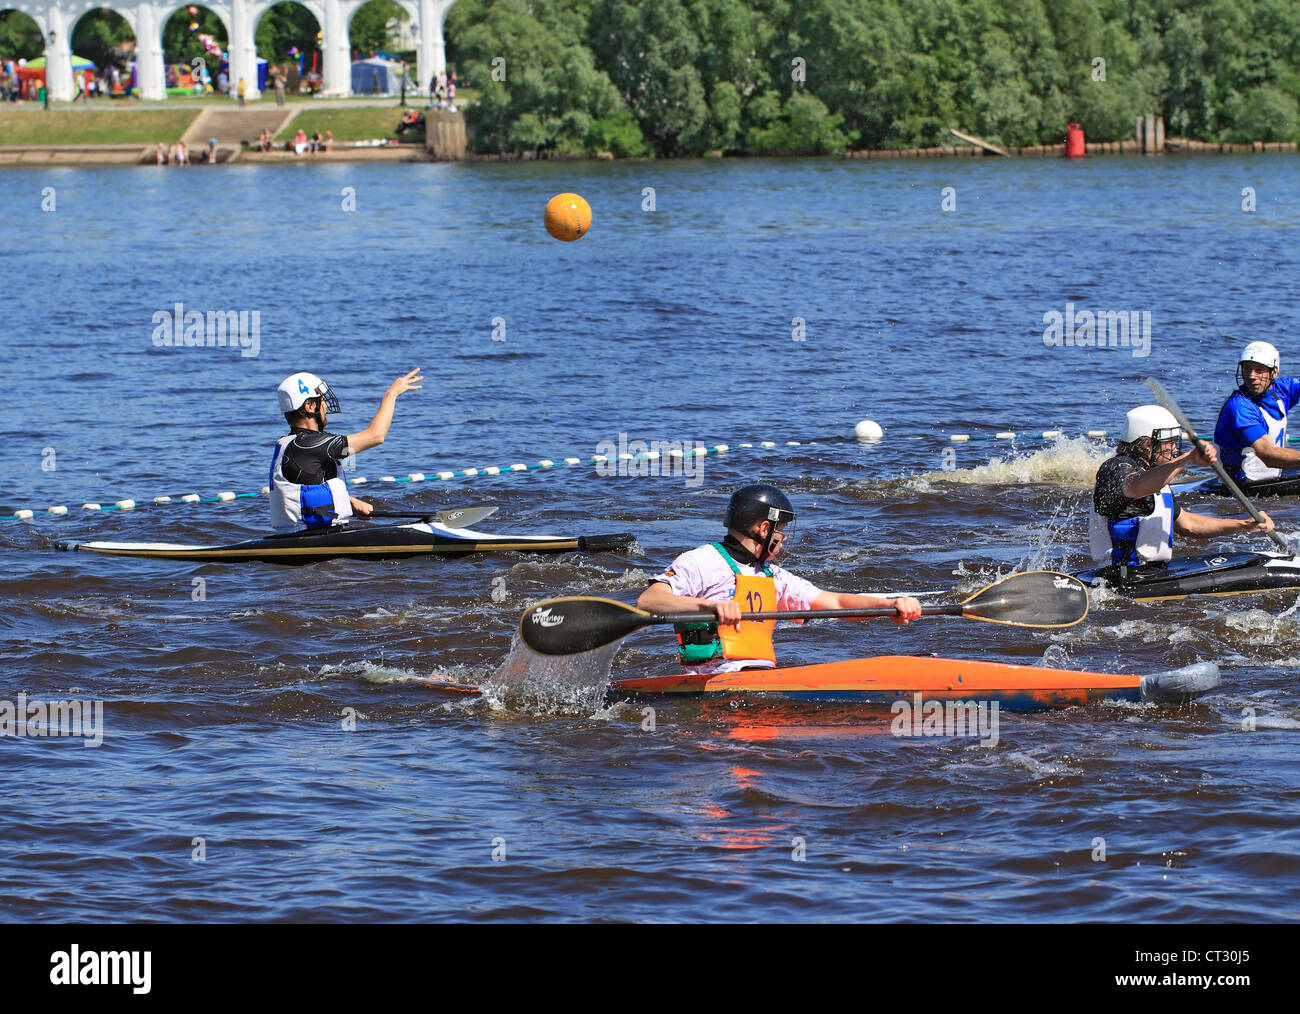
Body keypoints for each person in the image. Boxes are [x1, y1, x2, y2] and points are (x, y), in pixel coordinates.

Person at [635, 484, 922, 673]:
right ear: (763, 529)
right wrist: (708, 608)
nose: (782, 539)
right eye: (780, 530)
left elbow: (833, 601)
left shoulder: (774, 576)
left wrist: (889, 606)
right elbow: (649, 600)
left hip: (759, 678)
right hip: (713, 682)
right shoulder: (701, 561)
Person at [1090, 405, 1274, 568]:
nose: (1175, 449)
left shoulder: (1156, 477)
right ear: (1147, 445)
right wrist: (1188, 459)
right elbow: (1134, 487)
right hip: (1120, 577)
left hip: (1152, 573)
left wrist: (1244, 525)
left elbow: (1189, 525)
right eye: (1169, 443)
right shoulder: (1115, 468)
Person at [269, 369, 423, 532]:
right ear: (309, 406)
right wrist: (391, 394)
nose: (326, 405)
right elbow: (376, 436)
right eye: (322, 400)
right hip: (313, 537)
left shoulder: (292, 444)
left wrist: (350, 502)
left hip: (303, 533)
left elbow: (308, 484)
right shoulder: (312, 445)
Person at [1212, 341, 1300, 482]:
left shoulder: (1283, 389)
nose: (1252, 376)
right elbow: (1267, 454)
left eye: (1259, 370)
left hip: (1270, 480)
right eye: (1247, 369)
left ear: (1274, 373)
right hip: (1241, 488)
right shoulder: (1239, 407)